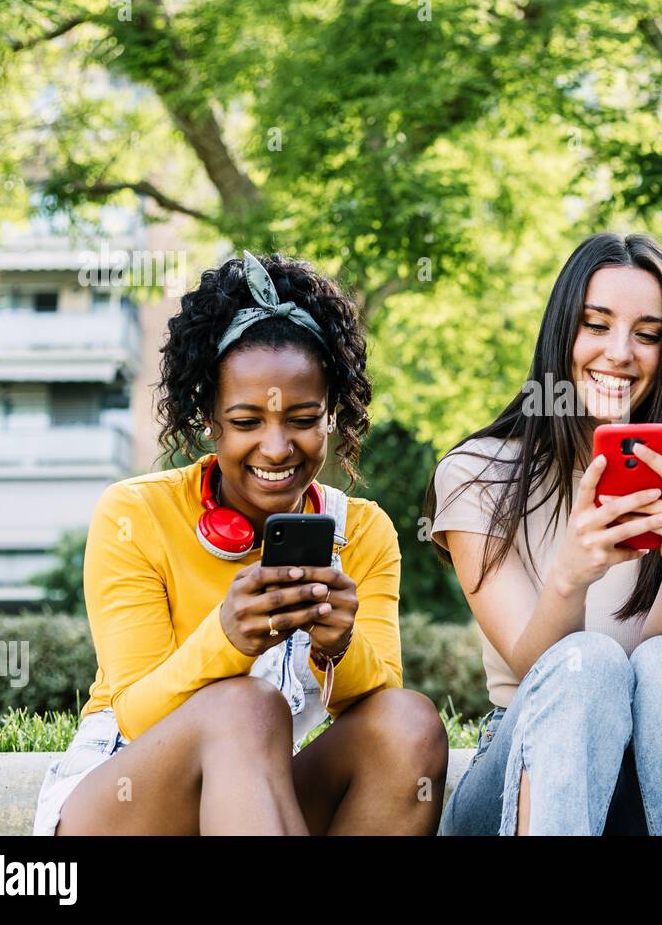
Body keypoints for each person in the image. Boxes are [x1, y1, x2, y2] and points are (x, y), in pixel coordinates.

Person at [32, 251, 448, 835]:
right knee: (246, 705)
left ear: (332, 414)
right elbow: (135, 712)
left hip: (255, 805)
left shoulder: (363, 532)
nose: (277, 448)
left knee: (408, 722)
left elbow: (375, 716)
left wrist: (337, 647)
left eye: (303, 417)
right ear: (209, 418)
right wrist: (225, 638)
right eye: (248, 421)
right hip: (126, 801)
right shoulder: (135, 512)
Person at [429, 233, 662, 835]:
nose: (620, 353)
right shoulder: (478, 472)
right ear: (560, 334)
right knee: (585, 663)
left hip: (650, 781)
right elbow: (531, 665)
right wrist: (571, 575)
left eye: (648, 334)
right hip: (521, 774)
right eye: (595, 325)